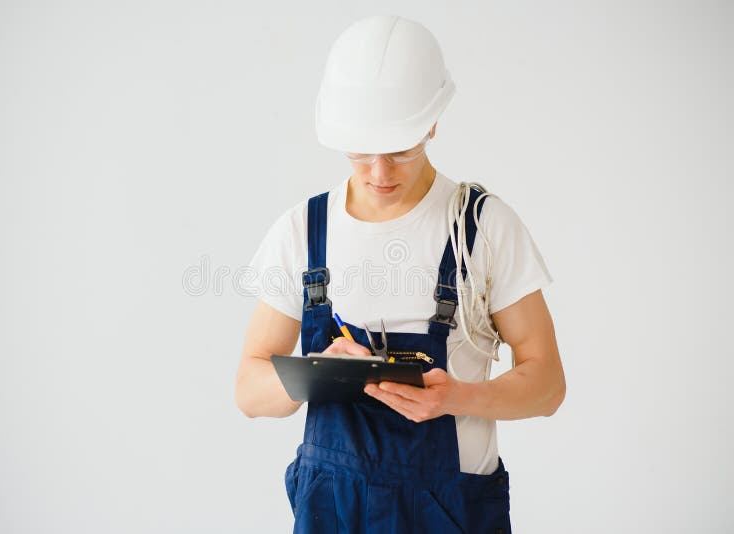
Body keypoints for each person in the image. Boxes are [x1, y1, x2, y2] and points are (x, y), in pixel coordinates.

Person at [235, 14, 565, 534]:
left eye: (400, 148)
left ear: (433, 122)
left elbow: (547, 384)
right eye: (362, 151)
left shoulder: (481, 227)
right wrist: (318, 372)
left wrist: (457, 397)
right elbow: (250, 391)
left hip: (450, 513)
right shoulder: (303, 231)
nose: (379, 172)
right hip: (332, 514)